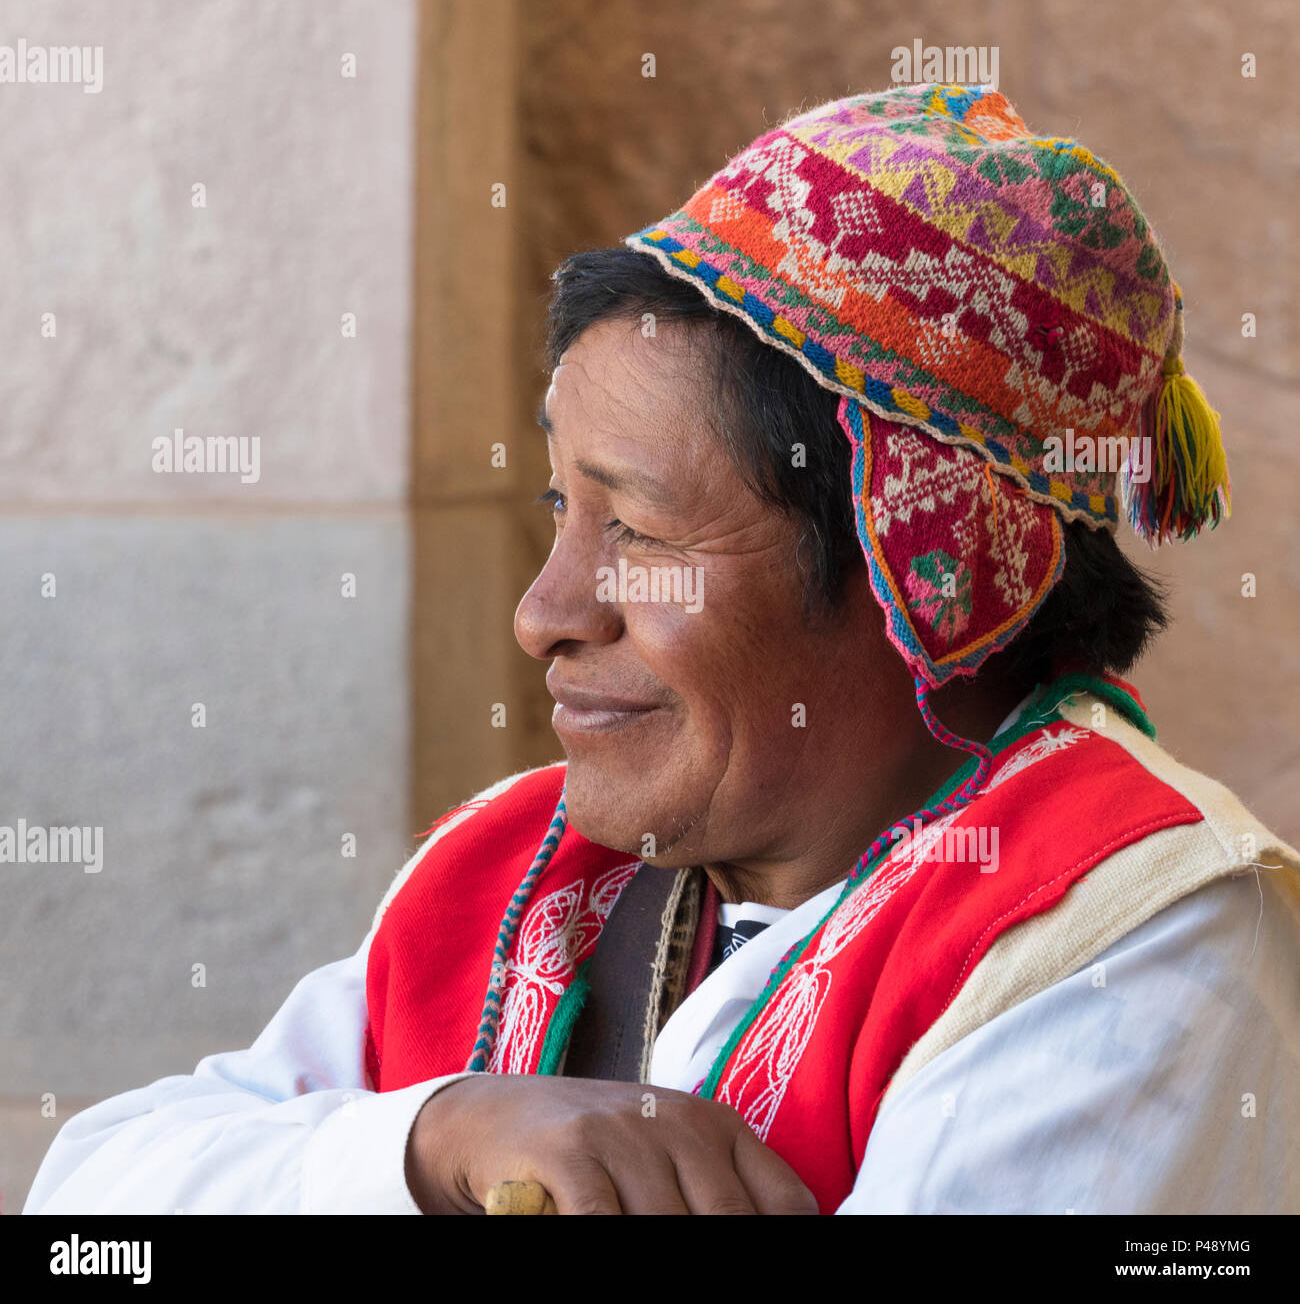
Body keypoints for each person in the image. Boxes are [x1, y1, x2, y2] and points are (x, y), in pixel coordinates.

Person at [25, 83, 1300, 1215]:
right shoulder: (511, 878)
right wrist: (429, 1140)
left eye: (632, 529)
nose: (545, 612)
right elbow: (93, 1202)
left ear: (928, 571)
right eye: (557, 513)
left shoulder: (1127, 933)